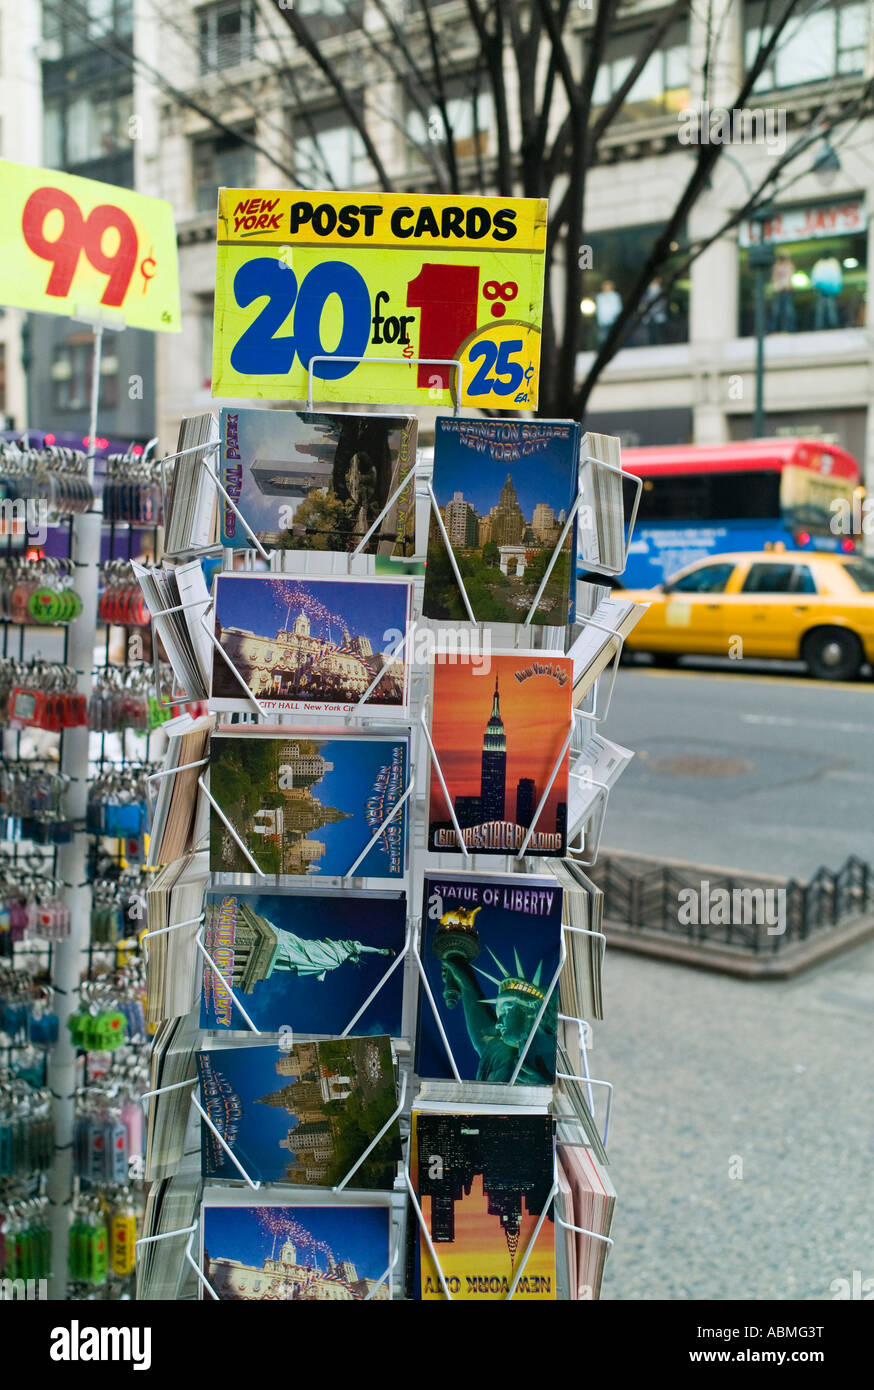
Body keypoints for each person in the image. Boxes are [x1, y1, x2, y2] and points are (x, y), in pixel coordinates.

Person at [811, 255, 842, 330]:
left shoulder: (819, 264)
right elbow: (838, 276)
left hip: (821, 288)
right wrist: (837, 288)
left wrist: (815, 286)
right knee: (829, 307)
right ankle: (832, 324)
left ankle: (820, 325)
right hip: (829, 289)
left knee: (822, 308)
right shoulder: (833, 263)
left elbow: (814, 277)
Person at [769, 253, 796, 332]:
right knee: (776, 311)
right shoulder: (776, 267)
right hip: (778, 291)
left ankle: (790, 329)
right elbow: (774, 277)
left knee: (788, 311)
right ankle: (774, 329)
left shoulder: (788, 266)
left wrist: (787, 262)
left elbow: (791, 272)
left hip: (786, 290)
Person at [640, 276, 669, 344]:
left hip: (658, 314)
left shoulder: (660, 290)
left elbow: (663, 303)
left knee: (658, 331)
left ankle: (658, 343)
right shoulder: (647, 291)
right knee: (650, 331)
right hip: (649, 314)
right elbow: (643, 302)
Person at [595, 279, 622, 346]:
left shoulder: (615, 296)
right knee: (603, 337)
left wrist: (615, 317)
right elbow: (598, 309)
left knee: (613, 336)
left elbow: (618, 308)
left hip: (613, 320)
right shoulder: (599, 296)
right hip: (603, 320)